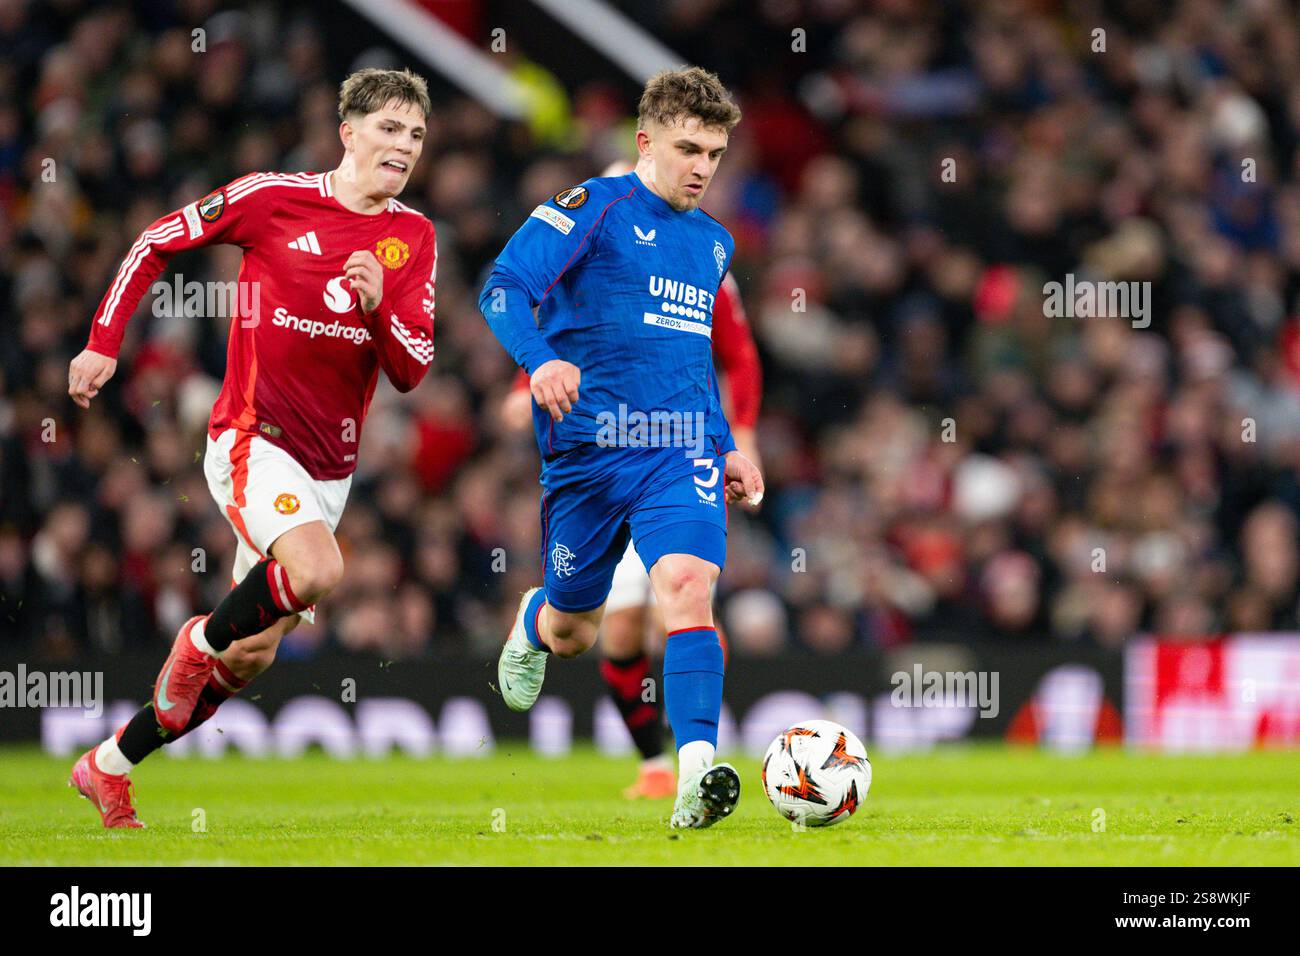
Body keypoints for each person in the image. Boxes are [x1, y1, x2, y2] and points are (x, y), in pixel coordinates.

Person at [65, 68, 437, 828]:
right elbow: (157, 240)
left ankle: (108, 765)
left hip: (330, 470)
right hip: (251, 437)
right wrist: (104, 340)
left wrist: (376, 308)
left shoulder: (414, 238)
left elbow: (411, 370)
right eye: (390, 128)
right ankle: (198, 639)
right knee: (317, 570)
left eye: (416, 135)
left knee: (252, 655)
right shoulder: (273, 198)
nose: (404, 146)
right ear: (349, 133)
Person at [479, 67, 764, 829]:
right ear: (645, 141)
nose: (703, 168)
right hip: (588, 455)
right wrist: (539, 361)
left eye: (715, 153)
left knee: (688, 585)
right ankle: (535, 618)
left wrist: (726, 446)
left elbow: (694, 362)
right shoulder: (592, 208)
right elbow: (502, 287)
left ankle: (694, 775)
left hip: (677, 453)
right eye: (689, 149)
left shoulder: (714, 243)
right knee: (575, 631)